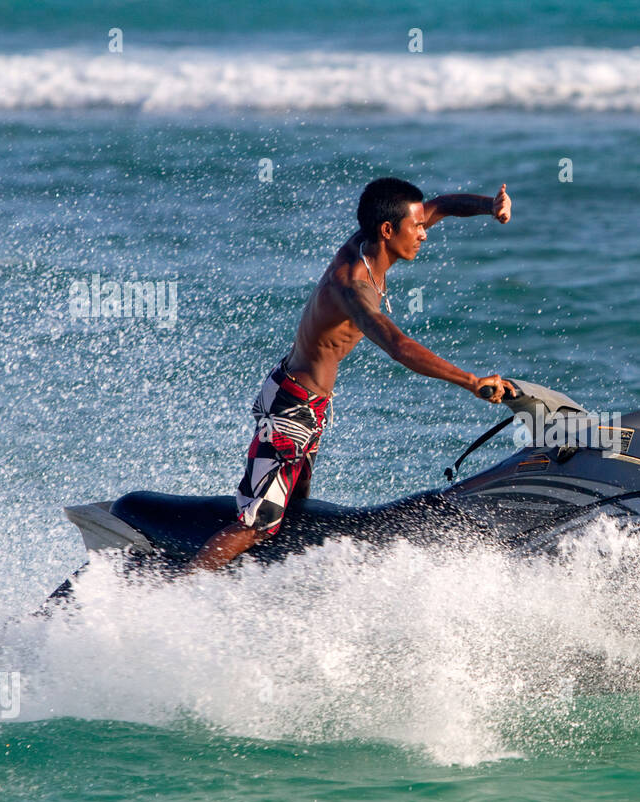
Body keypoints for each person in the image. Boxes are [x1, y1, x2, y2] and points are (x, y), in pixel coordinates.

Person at [187, 176, 513, 572]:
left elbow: (442, 204)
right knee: (258, 522)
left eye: (423, 225)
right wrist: (470, 381)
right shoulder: (352, 287)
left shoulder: (379, 236)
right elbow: (397, 345)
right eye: (417, 228)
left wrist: (489, 206)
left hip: (310, 404)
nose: (424, 234)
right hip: (290, 408)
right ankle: (186, 590)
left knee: (298, 501)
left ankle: (263, 573)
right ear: (388, 230)